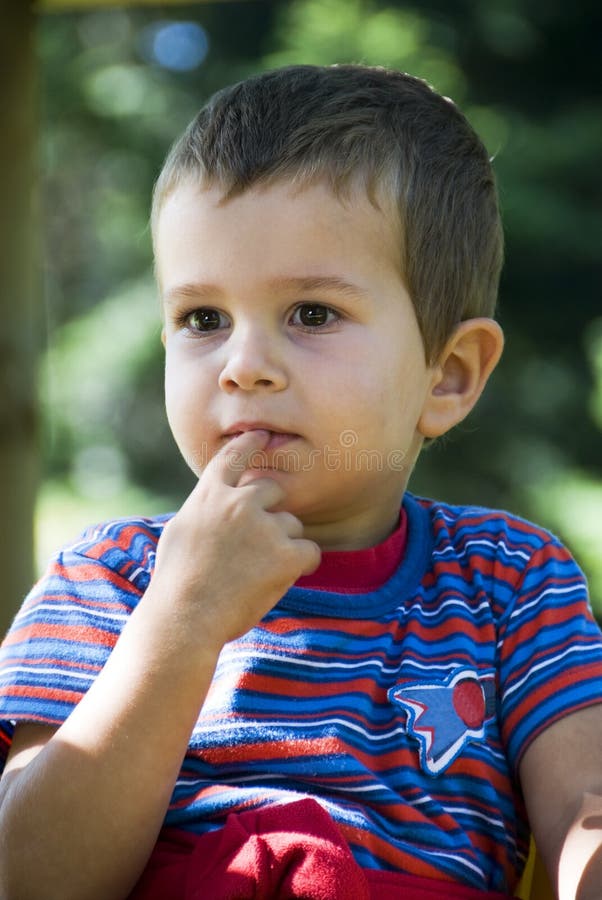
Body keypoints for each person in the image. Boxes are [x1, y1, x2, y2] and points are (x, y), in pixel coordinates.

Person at [0, 64, 601, 900]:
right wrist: (182, 620)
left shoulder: (510, 584)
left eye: (311, 314)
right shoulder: (106, 582)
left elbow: (587, 821)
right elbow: (26, 878)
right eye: (202, 319)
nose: (243, 367)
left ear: (448, 375)